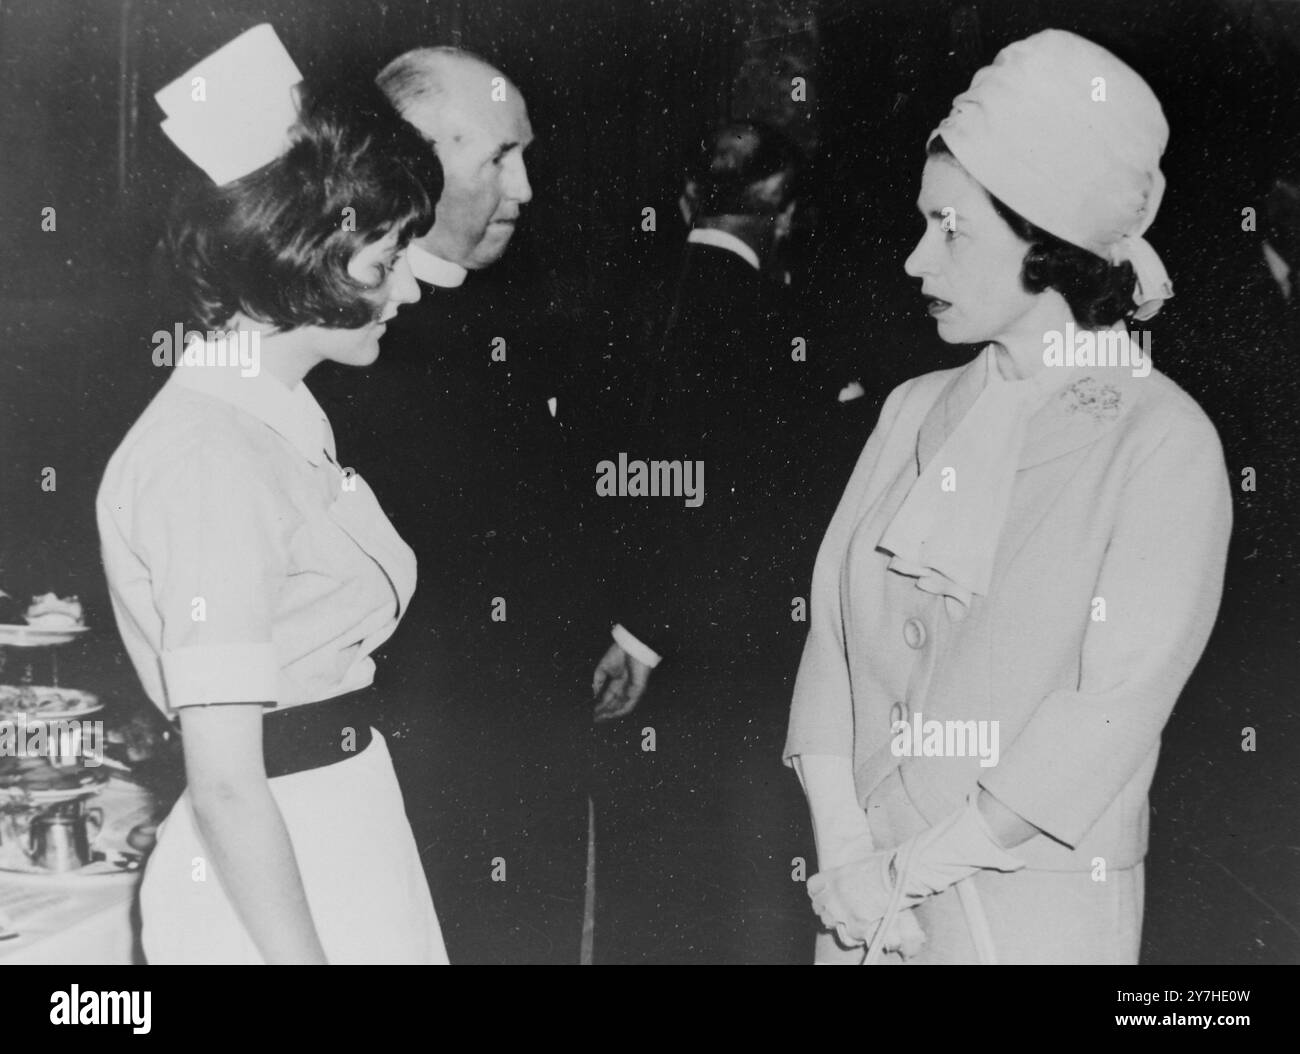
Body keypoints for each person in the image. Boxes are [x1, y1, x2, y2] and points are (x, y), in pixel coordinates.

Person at [784, 29, 1232, 964]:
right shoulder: (911, 411)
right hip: (864, 913)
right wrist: (849, 850)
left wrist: (901, 872)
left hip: (1036, 918)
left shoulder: (1163, 442)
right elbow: (831, 637)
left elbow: (1104, 717)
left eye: (949, 228)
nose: (915, 260)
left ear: (1049, 239)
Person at [96, 26, 446, 964]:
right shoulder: (208, 458)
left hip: (340, 824)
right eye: (386, 261)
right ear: (299, 257)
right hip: (268, 874)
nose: (410, 288)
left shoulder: (277, 412)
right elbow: (225, 786)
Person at [310, 47, 595, 965]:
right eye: (499, 159)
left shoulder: (522, 310)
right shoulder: (341, 346)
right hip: (417, 765)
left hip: (535, 748)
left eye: (526, 155)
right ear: (418, 163)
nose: (525, 188)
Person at [589, 122, 851, 963]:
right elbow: (752, 510)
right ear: (784, 214)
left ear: (687, 200)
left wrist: (624, 628)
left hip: (606, 645)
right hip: (740, 650)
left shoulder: (611, 301)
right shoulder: (789, 333)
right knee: (741, 877)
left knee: (641, 869)